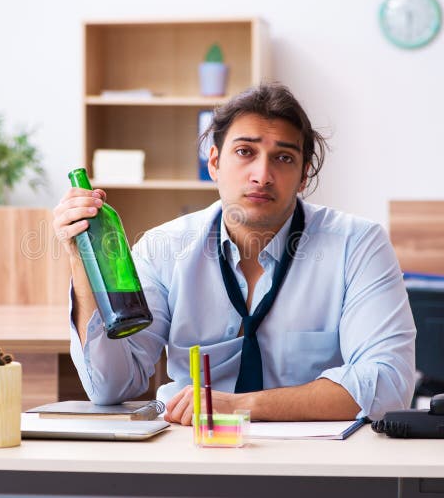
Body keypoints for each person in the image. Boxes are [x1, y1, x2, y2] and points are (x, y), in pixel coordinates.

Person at [53, 83, 415, 425]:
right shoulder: (164, 248)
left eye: (284, 158)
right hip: (190, 449)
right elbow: (110, 387)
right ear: (214, 162)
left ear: (304, 175)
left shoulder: (358, 244)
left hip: (313, 456)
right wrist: (81, 260)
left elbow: (389, 384)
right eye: (245, 152)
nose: (262, 174)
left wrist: (242, 405)